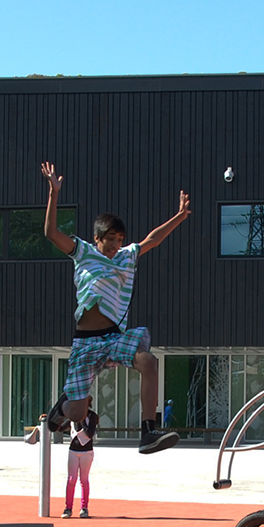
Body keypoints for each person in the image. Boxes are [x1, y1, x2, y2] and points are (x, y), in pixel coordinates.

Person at [40, 161, 190, 454]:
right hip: (85, 343)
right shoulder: (83, 251)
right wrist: (53, 194)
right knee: (76, 414)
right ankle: (63, 405)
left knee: (148, 361)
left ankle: (148, 432)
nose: (115, 246)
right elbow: (51, 233)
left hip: (113, 337)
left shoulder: (126, 256)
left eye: (119, 240)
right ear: (97, 238)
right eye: (110, 240)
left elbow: (152, 240)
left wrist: (179, 217)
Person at [63, 396, 98, 519]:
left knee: (84, 480)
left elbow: (90, 433)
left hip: (86, 451)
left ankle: (84, 507)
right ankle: (68, 508)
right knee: (71, 479)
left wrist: (82, 419)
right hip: (73, 450)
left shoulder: (92, 416)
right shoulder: (72, 416)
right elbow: (62, 427)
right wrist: (48, 420)